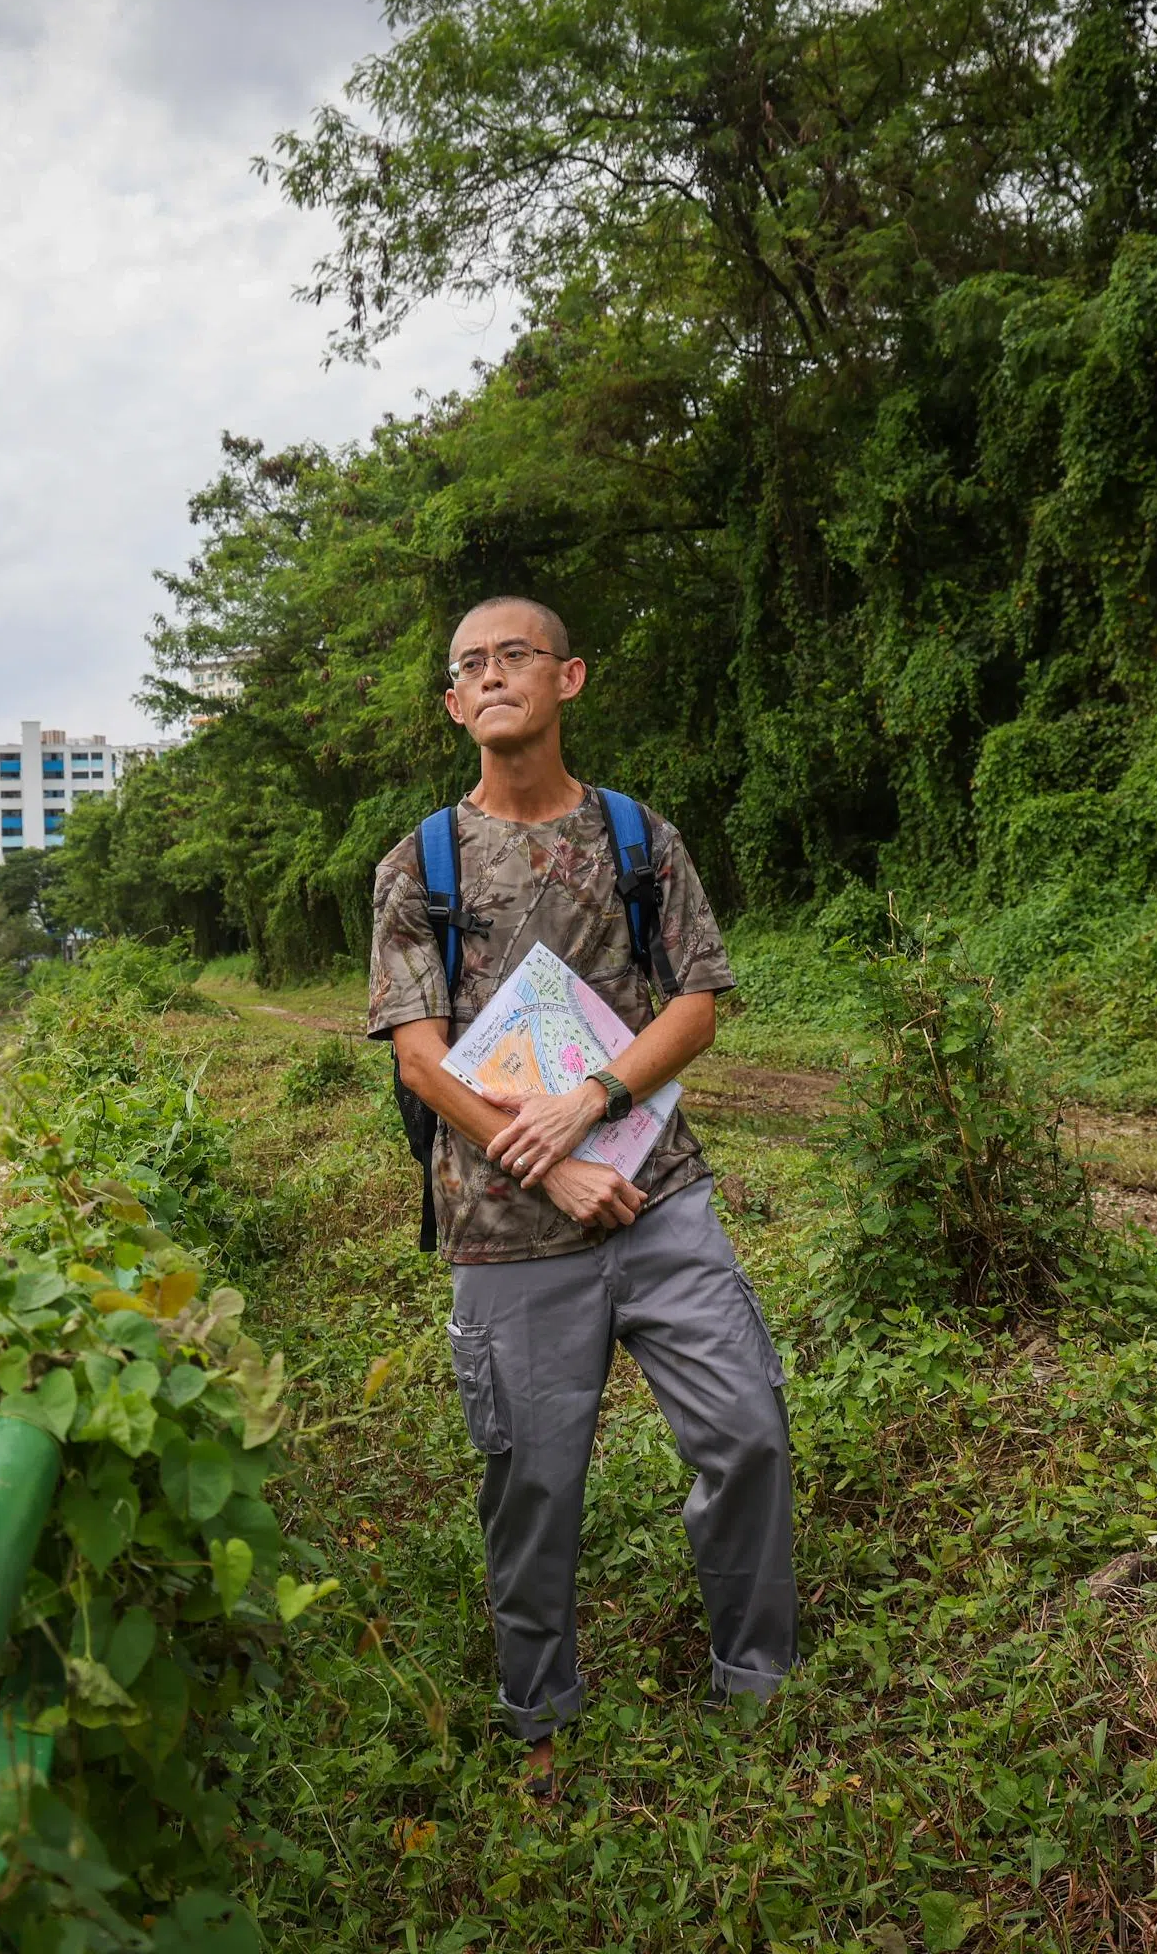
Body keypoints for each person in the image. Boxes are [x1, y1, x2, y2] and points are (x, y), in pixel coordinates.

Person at [365, 594, 798, 1793]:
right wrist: (550, 1156)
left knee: (746, 1425)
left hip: (658, 1192)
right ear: (453, 705)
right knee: (534, 1476)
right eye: (470, 665)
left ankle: (758, 1678)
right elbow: (418, 1055)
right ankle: (539, 1711)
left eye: (516, 655)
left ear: (571, 678)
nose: (493, 674)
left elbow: (697, 1000)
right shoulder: (422, 863)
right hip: (508, 1230)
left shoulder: (636, 837)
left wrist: (594, 1100)